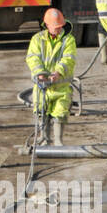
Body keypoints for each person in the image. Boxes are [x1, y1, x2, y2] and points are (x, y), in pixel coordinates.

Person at [27, 8, 77, 146]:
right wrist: (40, 73)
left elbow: (69, 59)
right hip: (42, 86)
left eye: (60, 27)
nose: (58, 30)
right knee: (41, 110)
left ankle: (58, 141)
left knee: (60, 112)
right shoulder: (37, 40)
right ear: (47, 25)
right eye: (55, 27)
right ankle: (43, 138)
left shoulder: (68, 40)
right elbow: (32, 58)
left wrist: (58, 72)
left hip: (61, 86)